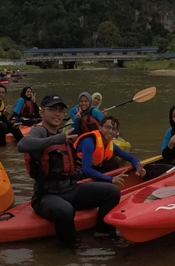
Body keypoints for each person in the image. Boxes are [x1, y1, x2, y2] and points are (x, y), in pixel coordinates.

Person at [16, 94, 121, 248]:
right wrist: (57, 139)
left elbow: (71, 169)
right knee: (65, 210)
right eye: (52, 109)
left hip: (70, 188)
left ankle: (103, 232)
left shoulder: (62, 134)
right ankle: (71, 248)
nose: (58, 114)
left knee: (112, 191)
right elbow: (22, 145)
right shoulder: (40, 132)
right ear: (41, 112)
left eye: (60, 110)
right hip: (45, 195)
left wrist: (98, 176)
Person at [75, 116, 144, 186]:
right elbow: (86, 169)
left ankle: (103, 182)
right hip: (79, 173)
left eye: (114, 129)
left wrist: (138, 167)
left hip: (94, 169)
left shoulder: (111, 146)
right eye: (107, 127)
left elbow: (131, 158)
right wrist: (110, 179)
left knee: (114, 161)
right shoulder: (89, 143)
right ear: (100, 128)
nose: (111, 131)